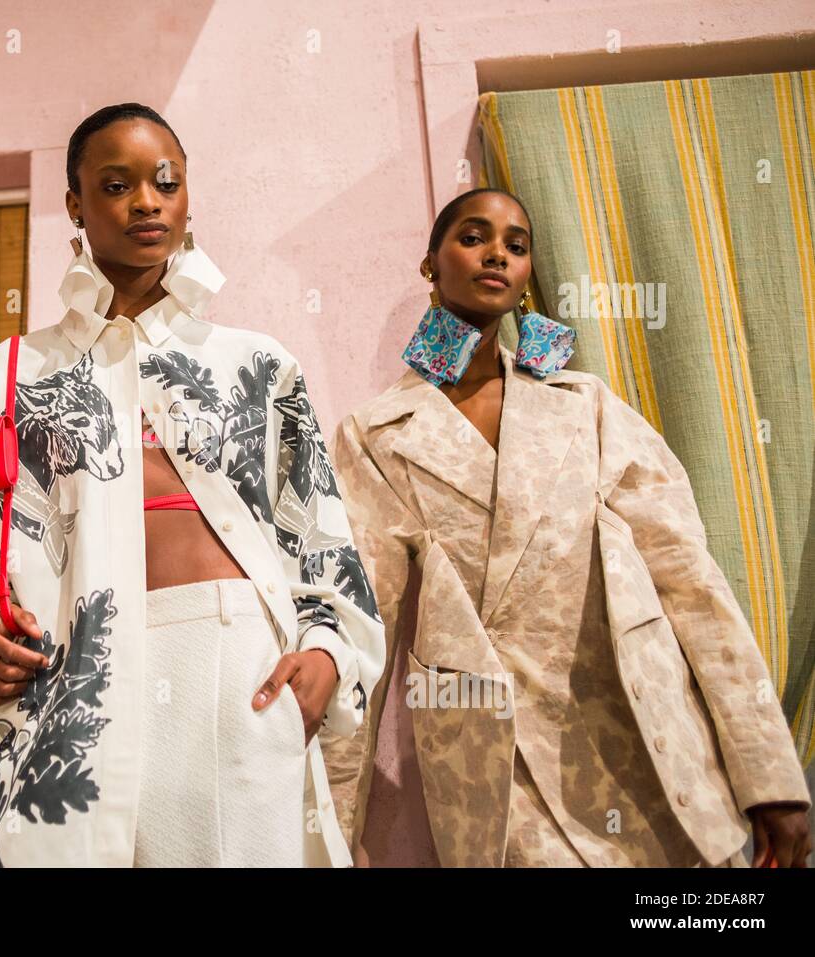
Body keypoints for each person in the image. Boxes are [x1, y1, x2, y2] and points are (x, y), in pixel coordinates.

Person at [0, 104, 385, 867]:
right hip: (69, 674)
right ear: (75, 204)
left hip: (237, 667)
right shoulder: (12, 373)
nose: (147, 201)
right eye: (116, 184)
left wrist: (330, 651)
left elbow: (318, 532)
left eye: (166, 183)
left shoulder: (255, 362)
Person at [318, 187, 811, 867]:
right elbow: (359, 638)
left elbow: (691, 584)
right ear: (430, 264)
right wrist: (328, 840)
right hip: (501, 778)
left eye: (516, 245)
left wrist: (770, 777)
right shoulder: (377, 434)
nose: (497, 253)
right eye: (473, 236)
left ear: (525, 281)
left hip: (652, 746)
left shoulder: (587, 407)